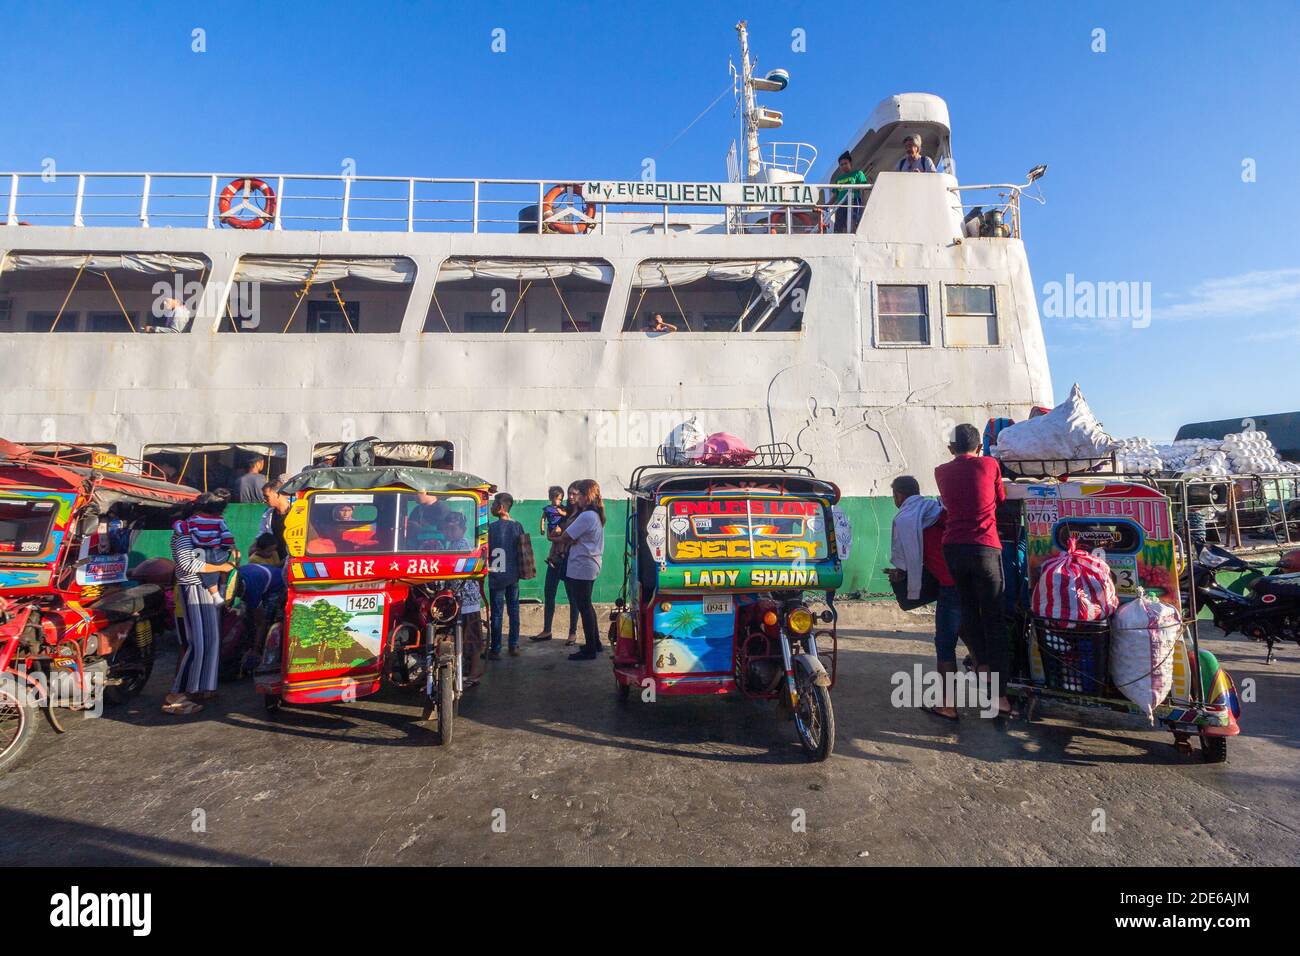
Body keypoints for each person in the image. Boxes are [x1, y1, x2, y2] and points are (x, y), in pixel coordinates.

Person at [935, 423, 1011, 717]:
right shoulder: (990, 464)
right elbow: (1000, 499)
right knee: (994, 621)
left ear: (951, 449)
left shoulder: (941, 471)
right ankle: (1000, 698)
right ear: (980, 448)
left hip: (953, 549)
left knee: (969, 614)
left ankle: (981, 667)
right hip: (985, 549)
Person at [889, 475, 961, 720]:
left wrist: (900, 572)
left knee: (945, 645)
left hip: (951, 587)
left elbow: (906, 558)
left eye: (894, 496)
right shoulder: (936, 509)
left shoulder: (907, 519)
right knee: (975, 638)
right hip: (970, 579)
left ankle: (947, 705)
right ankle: (998, 699)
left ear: (899, 495)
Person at [163, 523, 236, 714]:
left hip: (200, 594)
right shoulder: (184, 535)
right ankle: (177, 692)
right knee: (192, 645)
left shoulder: (200, 535)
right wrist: (221, 566)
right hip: (189, 598)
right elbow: (190, 565)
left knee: (204, 643)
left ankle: (197, 688)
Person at [562, 479, 605, 660]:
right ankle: (595, 643)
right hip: (588, 564)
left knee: (584, 606)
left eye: (578, 494)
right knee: (587, 604)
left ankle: (590, 649)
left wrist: (569, 539)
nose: (575, 498)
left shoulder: (587, 516)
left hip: (582, 565)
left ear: (586, 496)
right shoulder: (593, 515)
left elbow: (565, 535)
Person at [177, 492, 238, 607]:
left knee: (204, 570)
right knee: (224, 567)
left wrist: (177, 526)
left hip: (199, 551)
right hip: (216, 551)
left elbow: (181, 529)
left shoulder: (192, 520)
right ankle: (223, 590)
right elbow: (227, 536)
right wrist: (228, 548)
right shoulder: (219, 520)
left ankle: (215, 595)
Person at [487, 492, 523, 658]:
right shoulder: (517, 526)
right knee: (514, 610)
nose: (491, 507)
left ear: (500, 508)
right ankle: (514, 645)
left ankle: (495, 648)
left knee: (496, 613)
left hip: (496, 576)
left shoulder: (491, 528)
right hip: (513, 575)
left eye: (494, 504)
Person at [532, 486, 569, 641]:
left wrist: (556, 537)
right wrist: (544, 530)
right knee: (549, 594)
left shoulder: (566, 512)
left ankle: (572, 633)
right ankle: (547, 629)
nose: (557, 501)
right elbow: (544, 523)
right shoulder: (549, 510)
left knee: (573, 597)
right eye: (555, 498)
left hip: (567, 559)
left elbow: (565, 535)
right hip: (556, 558)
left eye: (559, 498)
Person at [830, 151, 868, 233]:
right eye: (841, 164)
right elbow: (835, 195)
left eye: (845, 163)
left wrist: (864, 203)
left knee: (854, 222)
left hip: (854, 201)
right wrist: (827, 205)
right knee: (839, 226)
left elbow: (863, 189)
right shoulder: (838, 179)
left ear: (850, 163)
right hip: (841, 204)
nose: (843, 166)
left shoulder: (858, 174)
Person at [262, 479, 292, 560]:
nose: (264, 500)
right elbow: (262, 535)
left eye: (266, 496)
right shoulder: (267, 515)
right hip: (275, 559)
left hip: (291, 559)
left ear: (278, 494)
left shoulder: (296, 513)